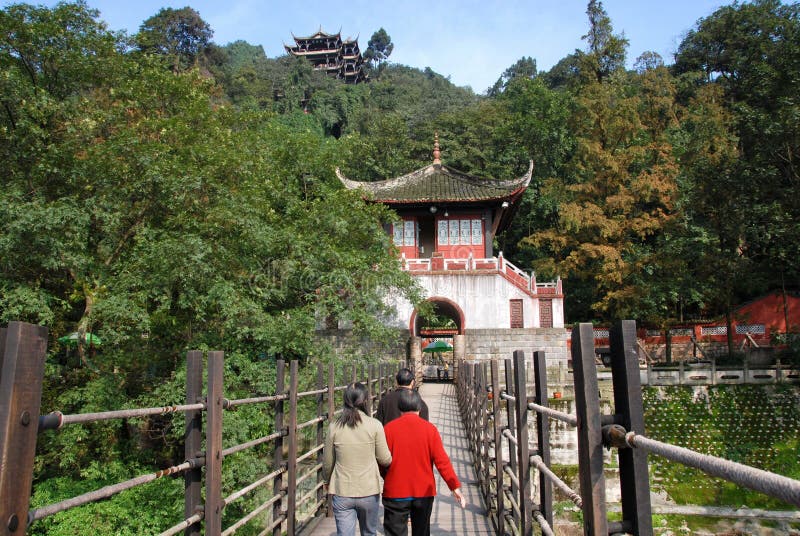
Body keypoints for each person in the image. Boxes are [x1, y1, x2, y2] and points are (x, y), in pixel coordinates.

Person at [381, 389, 465, 536]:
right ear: (419, 408)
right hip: (423, 491)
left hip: (395, 490)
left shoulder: (388, 429)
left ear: (399, 408)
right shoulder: (430, 430)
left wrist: (387, 476)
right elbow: (442, 461)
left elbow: (381, 460)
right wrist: (454, 486)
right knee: (421, 531)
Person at [323, 383, 392, 536]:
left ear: (345, 400)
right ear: (366, 400)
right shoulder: (375, 425)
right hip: (369, 489)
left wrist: (327, 481)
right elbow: (385, 459)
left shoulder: (334, 426)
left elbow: (328, 462)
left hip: (342, 490)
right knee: (369, 533)